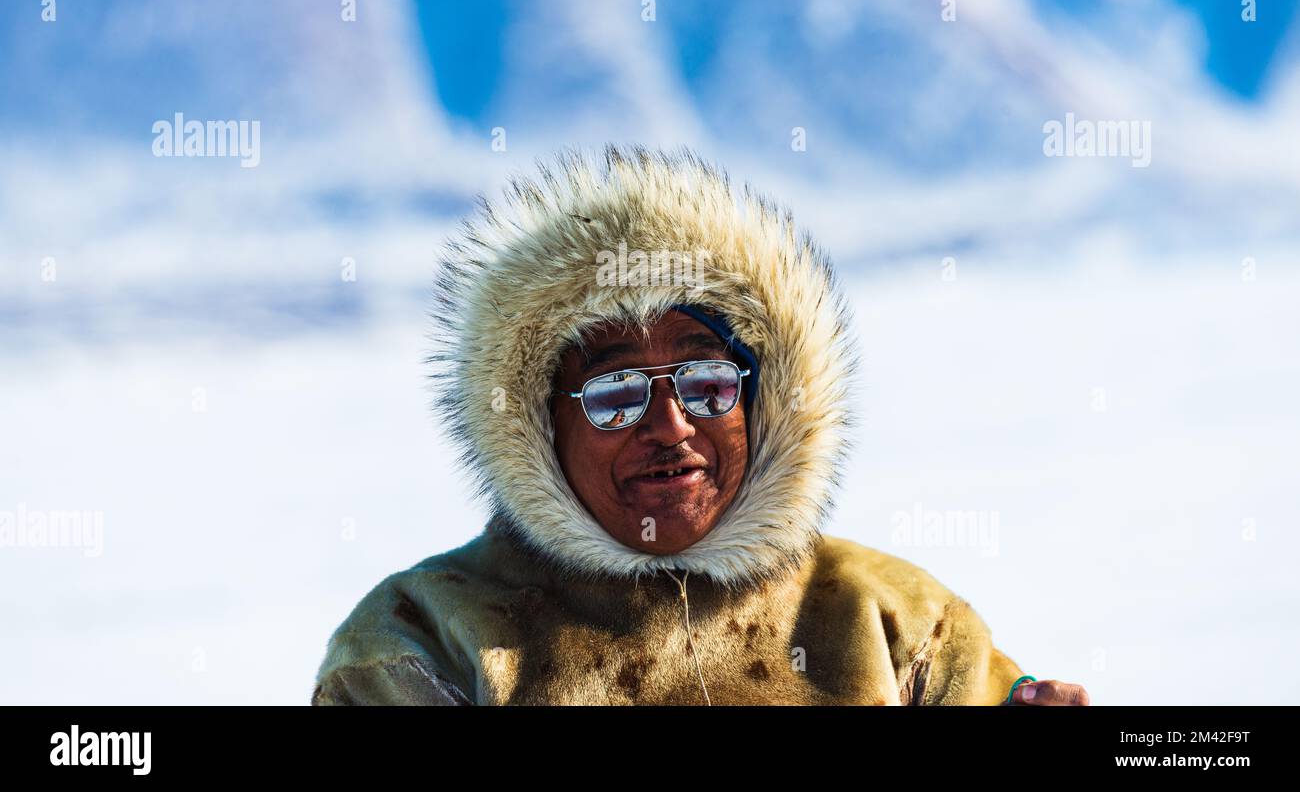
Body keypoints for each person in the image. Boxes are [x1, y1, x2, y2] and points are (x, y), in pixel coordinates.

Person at [311, 146, 1089, 706]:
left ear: (764, 397)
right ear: (537, 428)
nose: (671, 424)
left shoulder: (892, 620)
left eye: (707, 381)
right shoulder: (419, 639)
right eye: (617, 393)